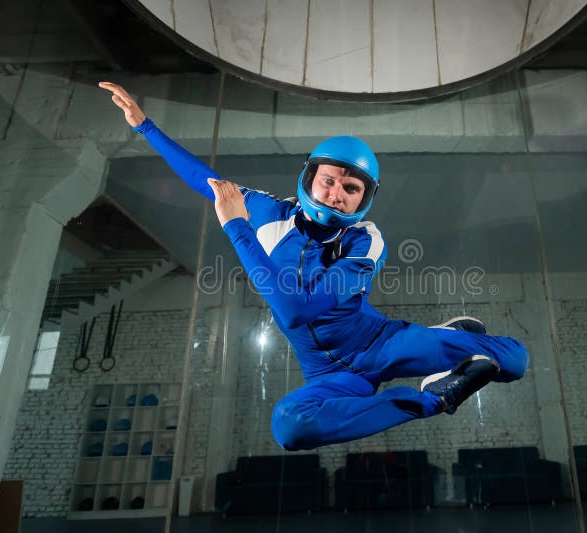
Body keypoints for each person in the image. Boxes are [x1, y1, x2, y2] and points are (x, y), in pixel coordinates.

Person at [99, 81, 529, 451]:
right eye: (328, 180)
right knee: (290, 427)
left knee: (515, 360)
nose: (336, 193)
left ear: (364, 198)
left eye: (351, 187)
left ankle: (449, 338)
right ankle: (433, 397)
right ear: (310, 178)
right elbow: (204, 179)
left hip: (380, 346)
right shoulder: (268, 213)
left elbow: (296, 310)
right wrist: (144, 125)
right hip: (329, 373)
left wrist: (236, 228)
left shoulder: (365, 240)